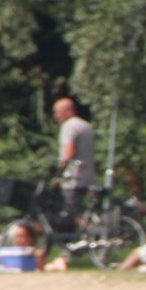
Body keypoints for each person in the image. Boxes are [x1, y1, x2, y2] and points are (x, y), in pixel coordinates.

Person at [53, 97, 95, 232]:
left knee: (69, 212)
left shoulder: (69, 126)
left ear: (67, 111)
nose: (56, 116)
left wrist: (60, 172)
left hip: (73, 177)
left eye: (58, 112)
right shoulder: (85, 125)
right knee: (77, 209)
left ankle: (91, 232)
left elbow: (70, 152)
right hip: (87, 175)